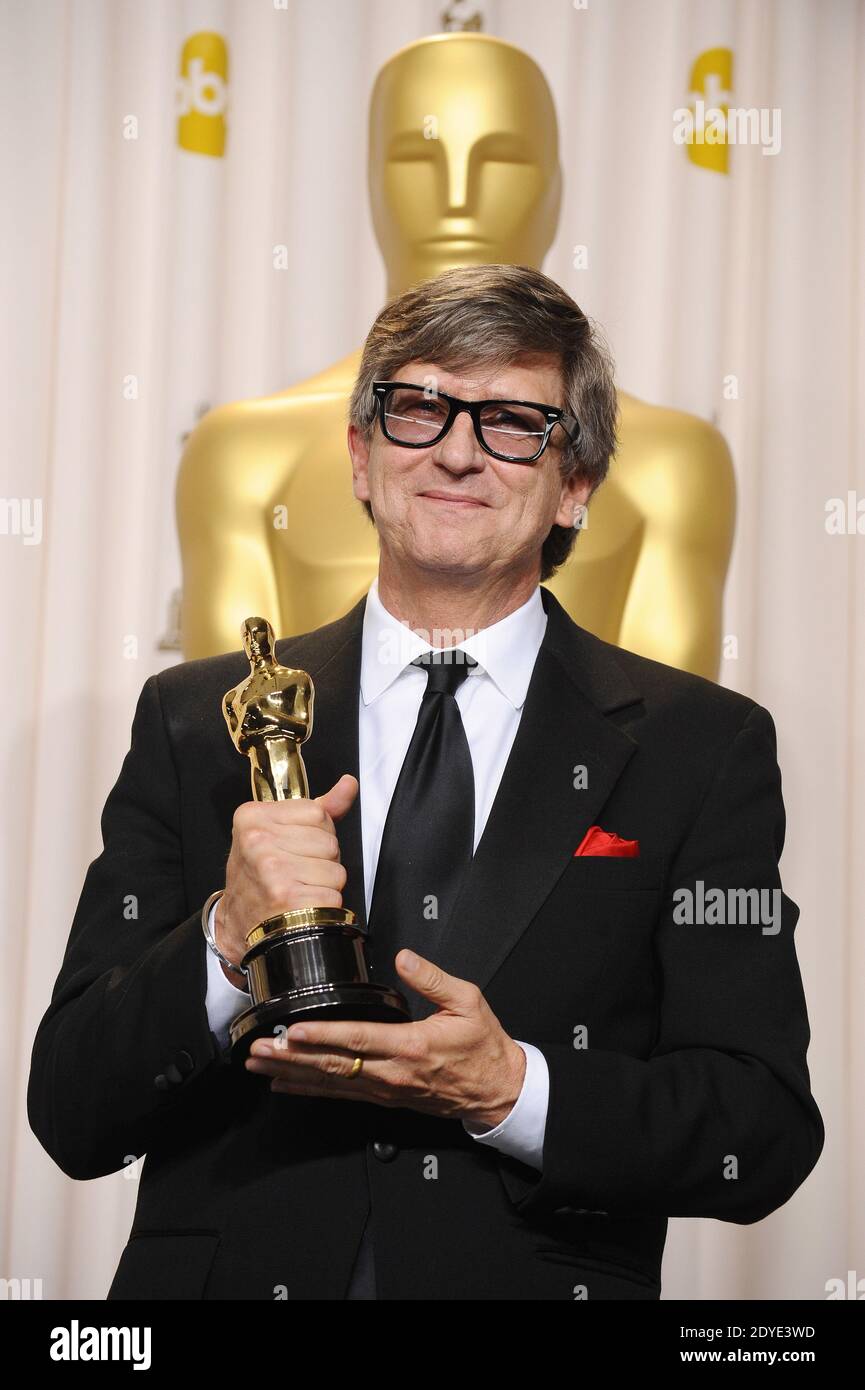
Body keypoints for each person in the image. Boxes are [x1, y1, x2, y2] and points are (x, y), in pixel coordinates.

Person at [28, 264, 823, 1301]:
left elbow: (758, 1128)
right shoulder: (201, 718)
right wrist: (225, 938)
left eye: (510, 422)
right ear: (360, 456)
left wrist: (512, 1089)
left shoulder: (698, 748)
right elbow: (71, 1110)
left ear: (574, 484)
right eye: (419, 408)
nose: (455, 448)